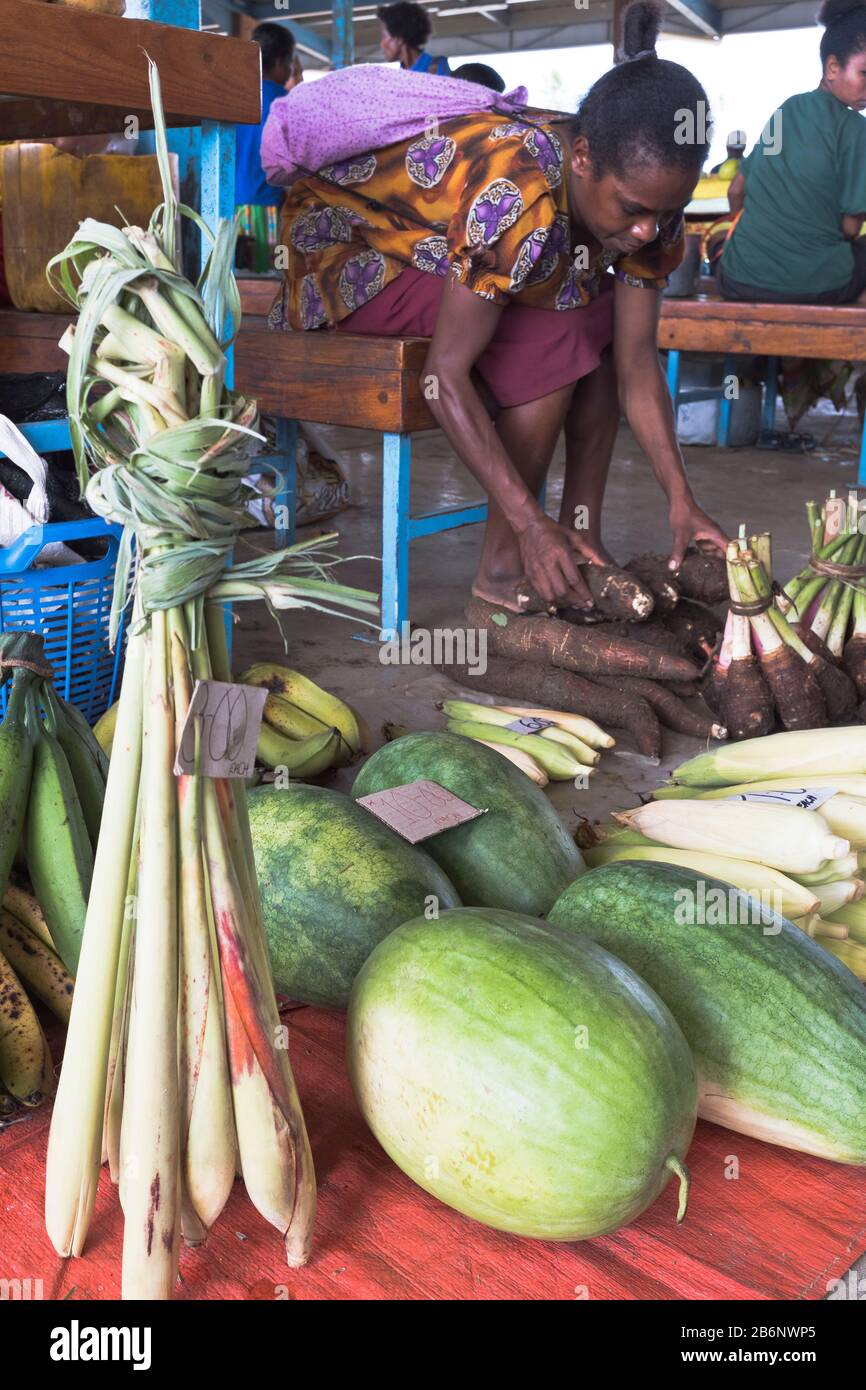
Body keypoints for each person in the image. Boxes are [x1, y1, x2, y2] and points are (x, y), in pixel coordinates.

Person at [275, 1, 727, 611]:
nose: (648, 231)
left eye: (664, 213)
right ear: (584, 158)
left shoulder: (651, 207)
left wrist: (681, 496)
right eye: (632, 210)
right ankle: (505, 562)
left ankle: (583, 537)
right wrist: (527, 522)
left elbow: (638, 363)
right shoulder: (516, 194)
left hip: (442, 252)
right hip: (348, 252)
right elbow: (444, 376)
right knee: (558, 332)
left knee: (597, 321)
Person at [720, 0, 866, 305]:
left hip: (737, 279)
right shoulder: (856, 129)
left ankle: (766, 355)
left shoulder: (785, 111)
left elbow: (736, 190)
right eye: (865, 73)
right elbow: (851, 227)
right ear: (832, 68)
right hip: (820, 288)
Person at [235, 22, 302, 273]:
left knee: (235, 287)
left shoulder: (236, 97)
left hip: (226, 210)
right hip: (267, 211)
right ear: (280, 63)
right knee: (266, 288)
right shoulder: (285, 103)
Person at [378, 2, 452, 77]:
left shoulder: (436, 68)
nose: (382, 45)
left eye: (384, 36)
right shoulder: (400, 77)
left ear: (400, 39)